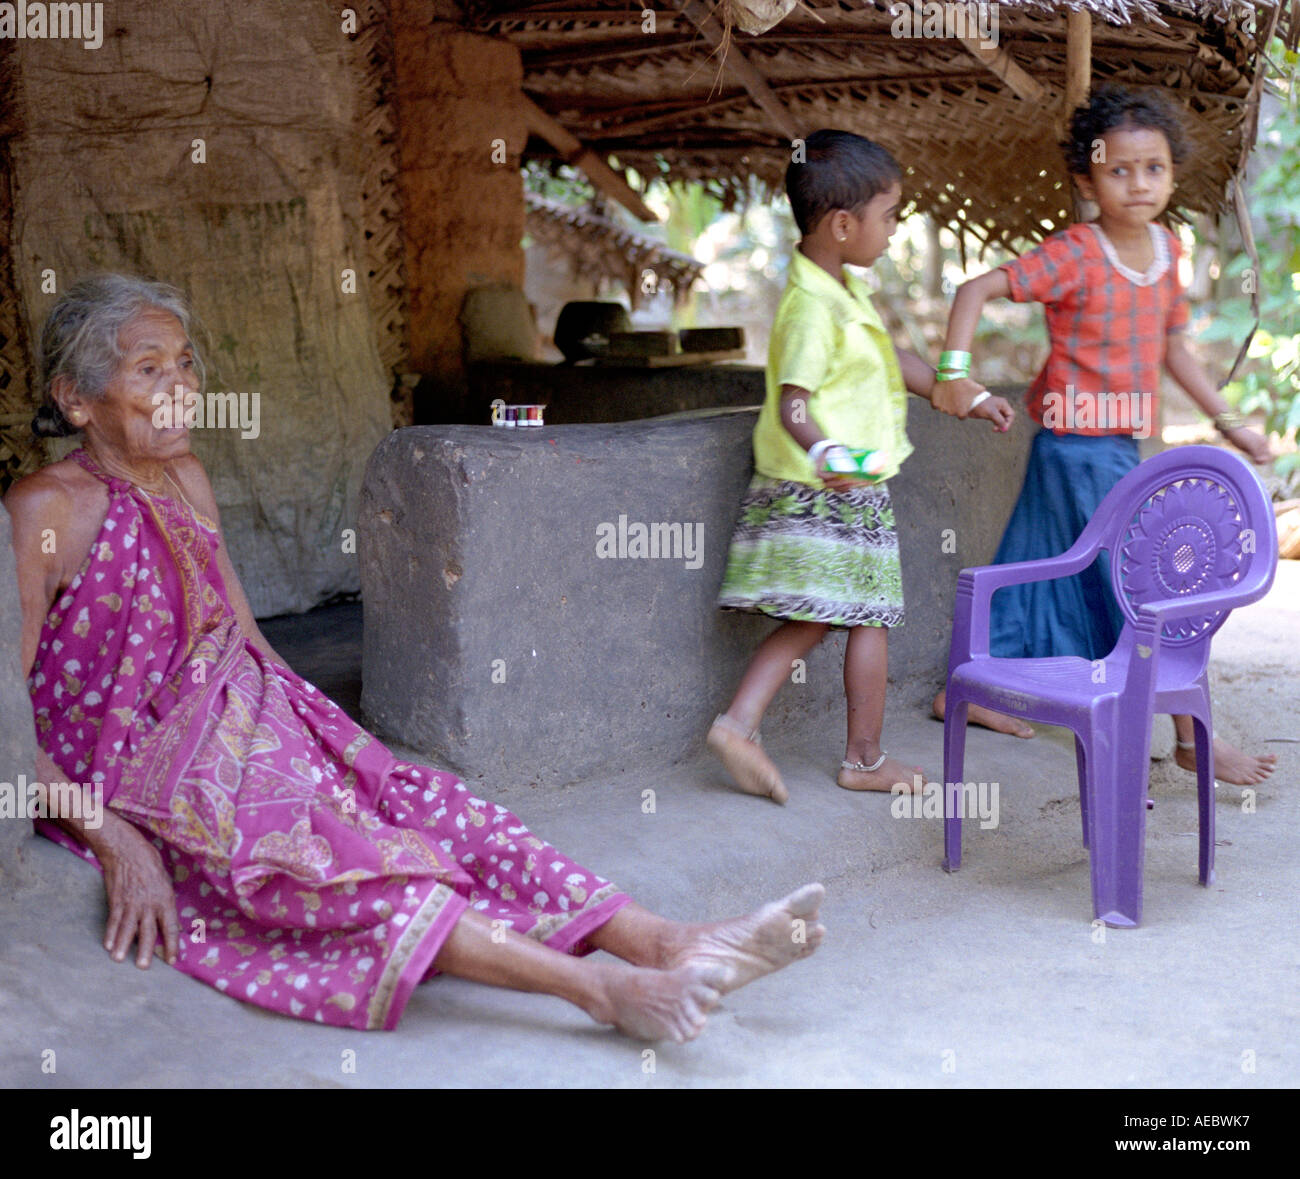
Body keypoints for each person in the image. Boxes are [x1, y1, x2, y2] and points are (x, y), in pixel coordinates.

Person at [6, 273, 827, 1042]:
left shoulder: (185, 475)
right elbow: (6, 707)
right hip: (136, 769)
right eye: (149, 369)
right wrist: (109, 834)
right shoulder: (42, 508)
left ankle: (669, 939)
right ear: (74, 398)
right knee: (342, 868)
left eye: (185, 362)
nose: (181, 386)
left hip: (244, 722)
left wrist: (325, 745)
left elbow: (244, 637)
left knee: (431, 804)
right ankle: (600, 993)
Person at [929, 85, 1276, 786]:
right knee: (1149, 584)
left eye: (1153, 168)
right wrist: (955, 377)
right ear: (1087, 180)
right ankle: (1185, 735)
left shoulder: (1167, 250)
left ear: (1174, 173)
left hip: (1115, 450)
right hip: (1074, 450)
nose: (1138, 183)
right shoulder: (1074, 252)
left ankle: (962, 689)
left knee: (1031, 567)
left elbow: (1173, 348)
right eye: (1118, 170)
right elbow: (975, 291)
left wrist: (1229, 419)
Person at [707, 130, 1015, 804]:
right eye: (890, 216)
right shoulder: (812, 309)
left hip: (826, 484)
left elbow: (886, 360)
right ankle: (865, 758)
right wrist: (828, 452)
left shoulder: (836, 288)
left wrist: (956, 391)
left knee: (816, 617)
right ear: (844, 225)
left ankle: (738, 723)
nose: (895, 230)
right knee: (870, 617)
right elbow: (793, 403)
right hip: (834, 486)